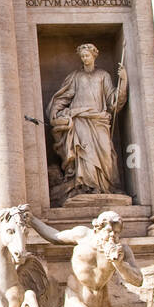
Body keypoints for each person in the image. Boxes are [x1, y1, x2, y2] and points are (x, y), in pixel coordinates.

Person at [47, 42, 127, 196]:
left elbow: (113, 100)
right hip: (80, 120)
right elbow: (63, 97)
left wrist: (123, 81)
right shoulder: (75, 77)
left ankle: (105, 187)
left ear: (94, 56)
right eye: (82, 56)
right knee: (84, 153)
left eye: (87, 55)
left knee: (105, 154)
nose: (85, 58)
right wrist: (56, 111)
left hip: (99, 120)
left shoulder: (103, 75)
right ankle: (86, 187)